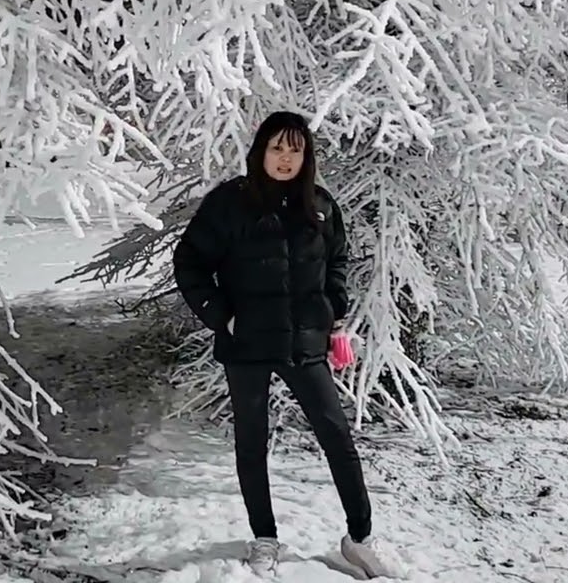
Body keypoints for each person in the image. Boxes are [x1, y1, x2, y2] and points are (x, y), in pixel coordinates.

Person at [171, 111, 406, 579]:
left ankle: (360, 539)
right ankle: (264, 537)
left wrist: (332, 308)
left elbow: (337, 261)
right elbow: (189, 262)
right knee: (251, 443)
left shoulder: (319, 205)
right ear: (261, 150)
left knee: (337, 436)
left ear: (306, 157)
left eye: (295, 150)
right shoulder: (230, 203)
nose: (285, 159)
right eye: (277, 148)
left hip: (305, 343)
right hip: (246, 345)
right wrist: (222, 315)